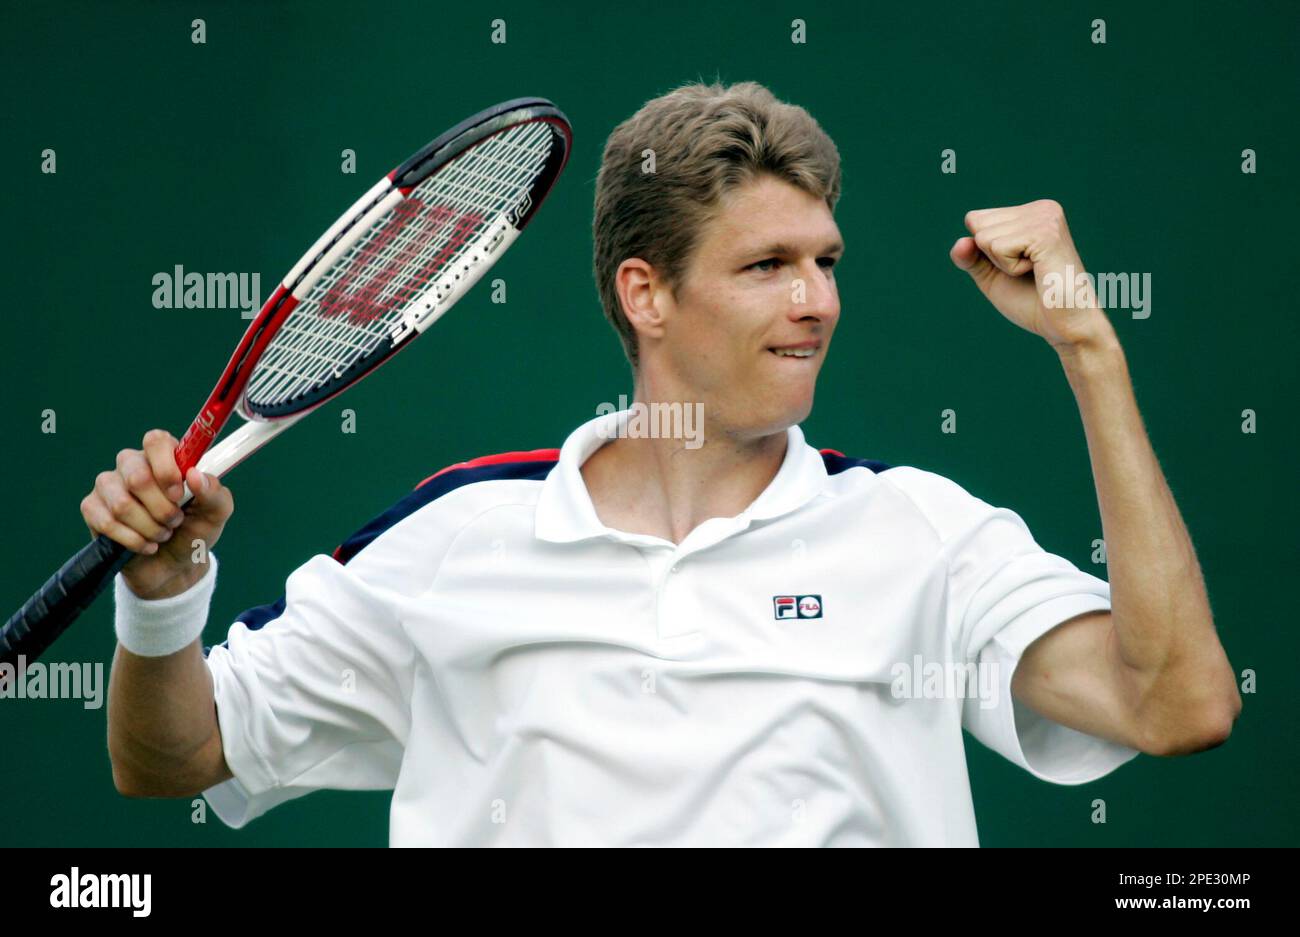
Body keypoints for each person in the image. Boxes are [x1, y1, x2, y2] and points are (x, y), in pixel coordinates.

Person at [99, 81, 1240, 846]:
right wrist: (159, 605)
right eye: (767, 267)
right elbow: (180, 752)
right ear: (645, 293)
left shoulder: (921, 533)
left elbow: (1176, 702)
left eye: (827, 261)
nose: (816, 302)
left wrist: (1089, 348)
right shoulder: (455, 538)